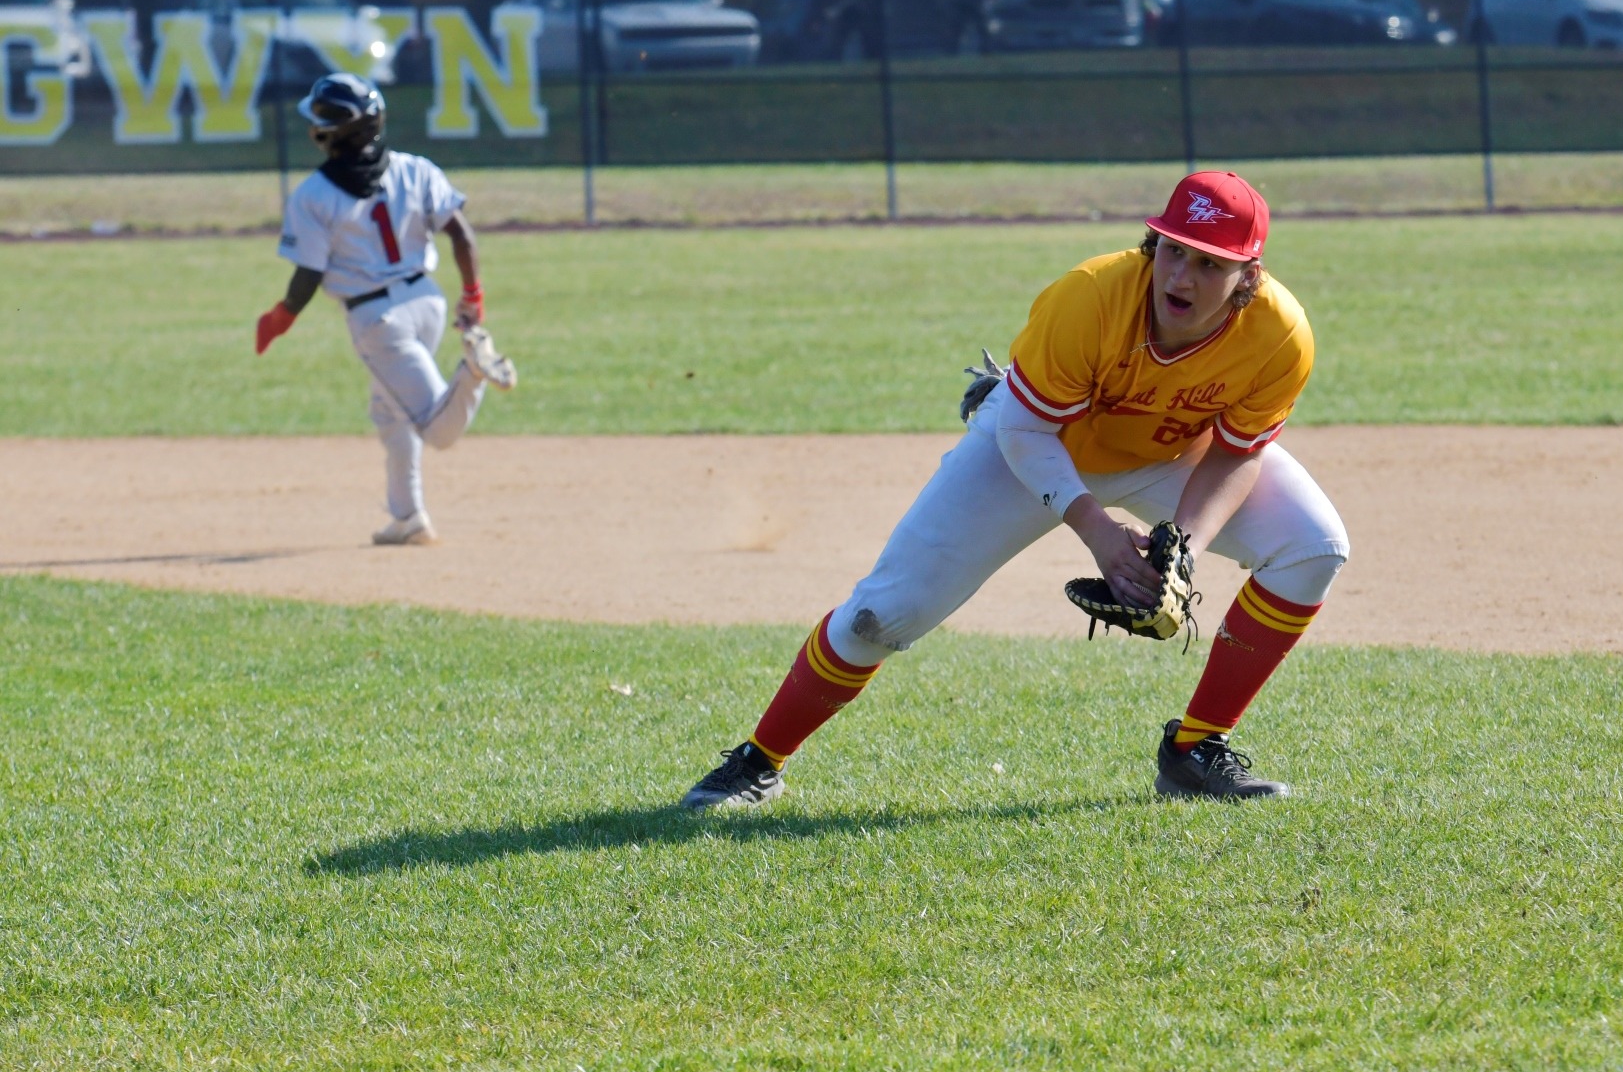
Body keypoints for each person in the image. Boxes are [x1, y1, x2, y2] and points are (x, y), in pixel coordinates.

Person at [682, 170, 1350, 809]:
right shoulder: (1091, 296)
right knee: (878, 617)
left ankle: (1196, 750)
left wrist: (1185, 547)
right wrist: (1097, 531)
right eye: (1175, 251)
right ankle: (759, 760)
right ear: (1154, 245)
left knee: (1314, 546)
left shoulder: (1280, 333)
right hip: (1037, 443)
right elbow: (1027, 432)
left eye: (1210, 263)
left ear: (1247, 278)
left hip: (1172, 453)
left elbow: (1237, 454)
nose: (1183, 276)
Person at [253, 73, 518, 545]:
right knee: (389, 411)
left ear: (333, 132)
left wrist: (280, 317)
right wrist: (472, 294)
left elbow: (308, 276)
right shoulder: (415, 169)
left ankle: (472, 375)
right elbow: (461, 233)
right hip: (427, 302)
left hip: (378, 320)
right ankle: (407, 516)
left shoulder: (314, 195)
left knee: (437, 430)